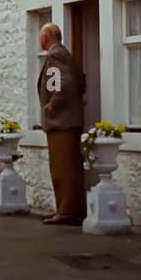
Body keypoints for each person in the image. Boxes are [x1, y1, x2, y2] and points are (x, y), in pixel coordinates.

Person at [36, 22, 86, 225]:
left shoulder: (54, 55)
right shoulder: (64, 54)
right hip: (68, 121)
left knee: (62, 169)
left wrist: (52, 104)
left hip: (61, 122)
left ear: (46, 37)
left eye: (41, 36)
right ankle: (70, 209)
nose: (40, 41)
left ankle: (66, 211)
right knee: (70, 168)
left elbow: (61, 83)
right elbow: (78, 82)